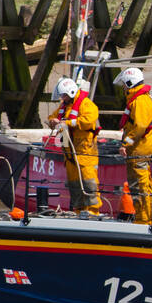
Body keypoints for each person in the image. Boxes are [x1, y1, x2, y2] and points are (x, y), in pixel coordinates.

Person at [48, 76, 102, 216]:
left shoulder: (87, 105)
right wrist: (53, 121)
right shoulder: (64, 107)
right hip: (70, 154)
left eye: (64, 95)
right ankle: (79, 211)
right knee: (74, 184)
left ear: (71, 92)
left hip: (84, 152)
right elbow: (52, 117)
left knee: (89, 182)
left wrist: (69, 123)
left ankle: (92, 211)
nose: (63, 98)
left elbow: (88, 121)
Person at [114, 67, 152, 224]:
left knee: (142, 186)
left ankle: (146, 218)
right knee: (136, 186)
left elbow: (139, 128)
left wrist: (126, 143)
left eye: (125, 85)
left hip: (140, 150)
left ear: (129, 83)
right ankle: (140, 217)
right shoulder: (138, 100)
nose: (124, 88)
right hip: (136, 150)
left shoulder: (140, 101)